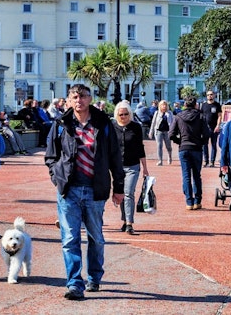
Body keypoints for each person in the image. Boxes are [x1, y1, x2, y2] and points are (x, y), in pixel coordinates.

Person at [45, 83, 124, 301]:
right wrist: (57, 176)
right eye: (74, 97)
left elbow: (115, 157)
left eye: (83, 96)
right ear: (68, 100)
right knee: (70, 238)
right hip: (69, 190)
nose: (79, 100)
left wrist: (118, 187)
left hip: (95, 189)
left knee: (96, 238)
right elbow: (51, 156)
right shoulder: (61, 124)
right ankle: (74, 284)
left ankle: (95, 277)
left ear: (90, 99)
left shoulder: (103, 124)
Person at [112, 102, 148, 235]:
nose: (124, 117)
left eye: (126, 114)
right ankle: (125, 219)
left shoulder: (136, 127)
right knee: (120, 194)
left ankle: (129, 223)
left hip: (133, 166)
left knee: (128, 193)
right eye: (121, 114)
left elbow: (140, 147)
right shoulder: (112, 127)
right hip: (117, 167)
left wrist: (145, 167)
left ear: (130, 114)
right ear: (117, 115)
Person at [169, 96, 211, 210]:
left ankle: (189, 202)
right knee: (197, 175)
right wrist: (201, 142)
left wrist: (180, 141)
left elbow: (171, 134)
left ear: (185, 105)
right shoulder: (201, 116)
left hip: (184, 147)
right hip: (196, 148)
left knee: (186, 175)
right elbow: (207, 133)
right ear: (195, 105)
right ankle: (197, 201)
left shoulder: (178, 117)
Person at [200, 90, 223, 167]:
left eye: (211, 94)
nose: (210, 96)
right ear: (206, 96)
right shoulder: (203, 105)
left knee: (213, 145)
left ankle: (212, 161)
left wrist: (218, 126)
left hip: (214, 128)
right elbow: (201, 116)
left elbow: (220, 116)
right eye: (208, 95)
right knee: (204, 145)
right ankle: (206, 161)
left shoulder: (217, 105)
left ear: (214, 95)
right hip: (205, 128)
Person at [149, 99, 175, 165]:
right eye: (162, 105)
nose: (164, 106)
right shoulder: (157, 113)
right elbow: (153, 123)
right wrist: (151, 132)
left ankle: (169, 156)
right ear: (160, 106)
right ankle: (160, 160)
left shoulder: (169, 113)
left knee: (168, 146)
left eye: (165, 105)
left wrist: (174, 131)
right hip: (158, 131)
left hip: (167, 131)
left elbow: (173, 122)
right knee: (159, 145)